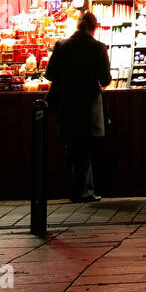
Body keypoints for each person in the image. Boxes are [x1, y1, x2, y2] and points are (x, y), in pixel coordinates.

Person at [45, 12, 112, 203]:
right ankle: (84, 191)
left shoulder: (61, 45)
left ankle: (76, 189)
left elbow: (50, 75)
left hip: (67, 103)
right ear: (94, 27)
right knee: (87, 148)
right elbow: (105, 79)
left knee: (72, 147)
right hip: (89, 103)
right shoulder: (98, 47)